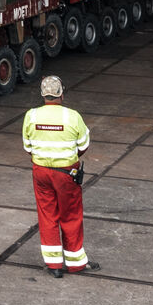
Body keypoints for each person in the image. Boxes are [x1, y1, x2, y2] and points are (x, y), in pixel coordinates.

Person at [22, 75, 99, 278]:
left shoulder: (31, 116)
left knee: (47, 216)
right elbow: (83, 145)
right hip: (66, 173)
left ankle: (54, 265)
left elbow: (27, 147)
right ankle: (75, 262)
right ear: (61, 94)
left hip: (40, 173)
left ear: (43, 95)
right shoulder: (72, 117)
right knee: (71, 215)